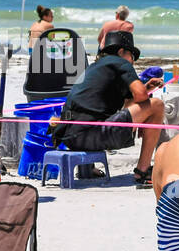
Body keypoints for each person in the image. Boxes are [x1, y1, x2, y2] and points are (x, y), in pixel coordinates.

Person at [51, 30, 164, 188]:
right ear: (121, 51)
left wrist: (145, 89)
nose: (133, 61)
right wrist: (145, 96)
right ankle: (143, 170)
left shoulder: (96, 68)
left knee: (92, 113)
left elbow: (124, 103)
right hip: (91, 134)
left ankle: (87, 169)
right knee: (157, 105)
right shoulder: (120, 62)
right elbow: (141, 96)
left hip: (70, 137)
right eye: (132, 56)